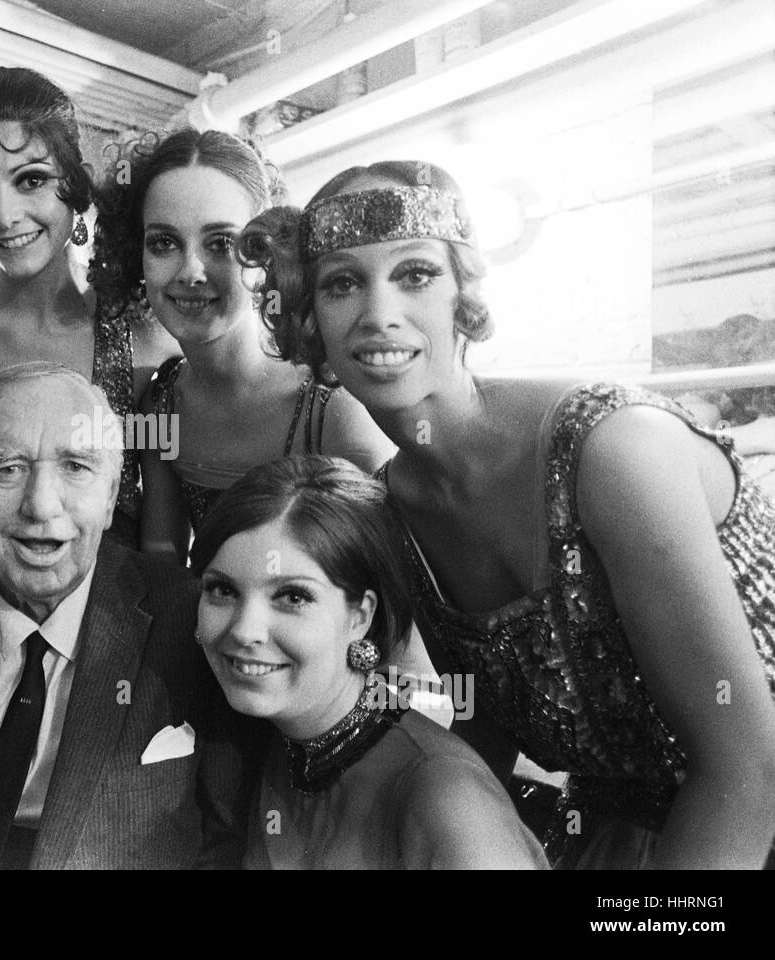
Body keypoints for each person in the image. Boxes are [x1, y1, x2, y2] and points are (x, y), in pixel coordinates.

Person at [239, 160, 775, 869]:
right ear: (312, 323)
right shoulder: (395, 510)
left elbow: (747, 772)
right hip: (618, 834)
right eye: (342, 283)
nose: (379, 314)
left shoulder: (613, 451)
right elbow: (483, 729)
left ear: (464, 297)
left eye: (415, 274)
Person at [0, 363, 249, 869]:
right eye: (7, 469)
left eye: (76, 467)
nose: (40, 506)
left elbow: (230, 840)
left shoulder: (194, 624)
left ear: (110, 498)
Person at [190, 455, 547, 869]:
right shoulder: (268, 739)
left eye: (292, 597)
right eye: (222, 590)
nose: (244, 630)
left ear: (360, 616)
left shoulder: (446, 799)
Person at [91, 128, 392, 564]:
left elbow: (386, 588)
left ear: (265, 253)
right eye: (163, 243)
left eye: (220, 244)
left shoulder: (336, 407)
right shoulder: (157, 406)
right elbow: (162, 562)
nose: (190, 271)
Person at [0, 66, 180, 545]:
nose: (5, 217)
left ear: (76, 182)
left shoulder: (147, 334)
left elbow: (163, 536)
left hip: (113, 606)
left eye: (30, 181)